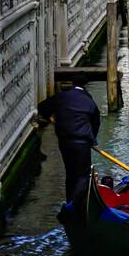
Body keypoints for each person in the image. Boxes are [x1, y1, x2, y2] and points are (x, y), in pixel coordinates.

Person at [42, 75, 101, 203]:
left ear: (72, 84)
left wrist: (52, 119)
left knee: (70, 173)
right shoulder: (88, 100)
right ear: (85, 85)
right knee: (82, 175)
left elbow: (42, 108)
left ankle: (70, 203)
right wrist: (92, 139)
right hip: (83, 143)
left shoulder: (61, 96)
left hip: (65, 142)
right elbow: (96, 121)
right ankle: (79, 203)